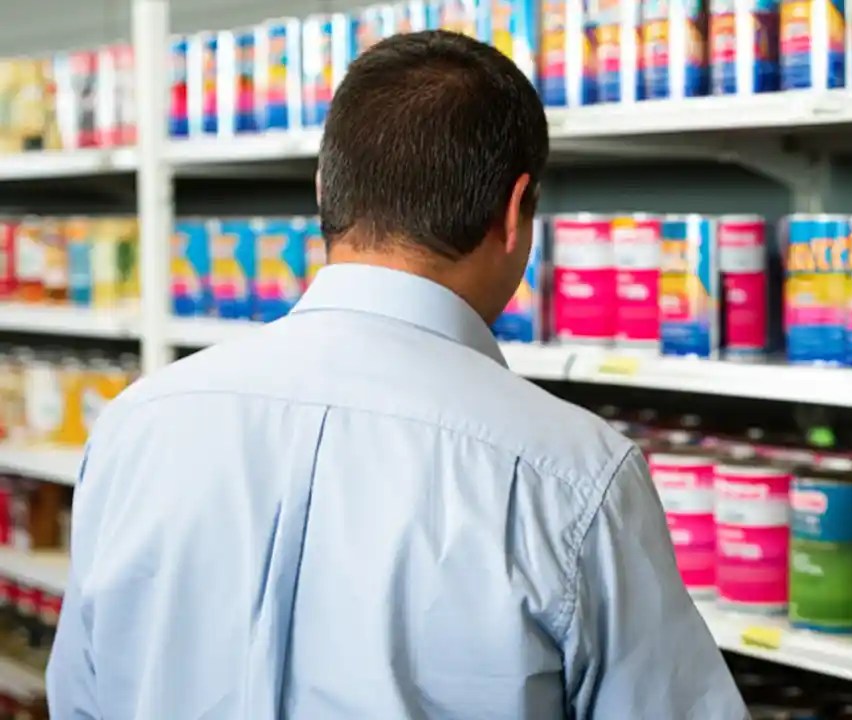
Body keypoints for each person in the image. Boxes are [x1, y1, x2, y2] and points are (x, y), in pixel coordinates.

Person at [47, 31, 746, 719]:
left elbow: (81, 695)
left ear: (325, 190)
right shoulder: (572, 475)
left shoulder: (135, 423)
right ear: (515, 212)